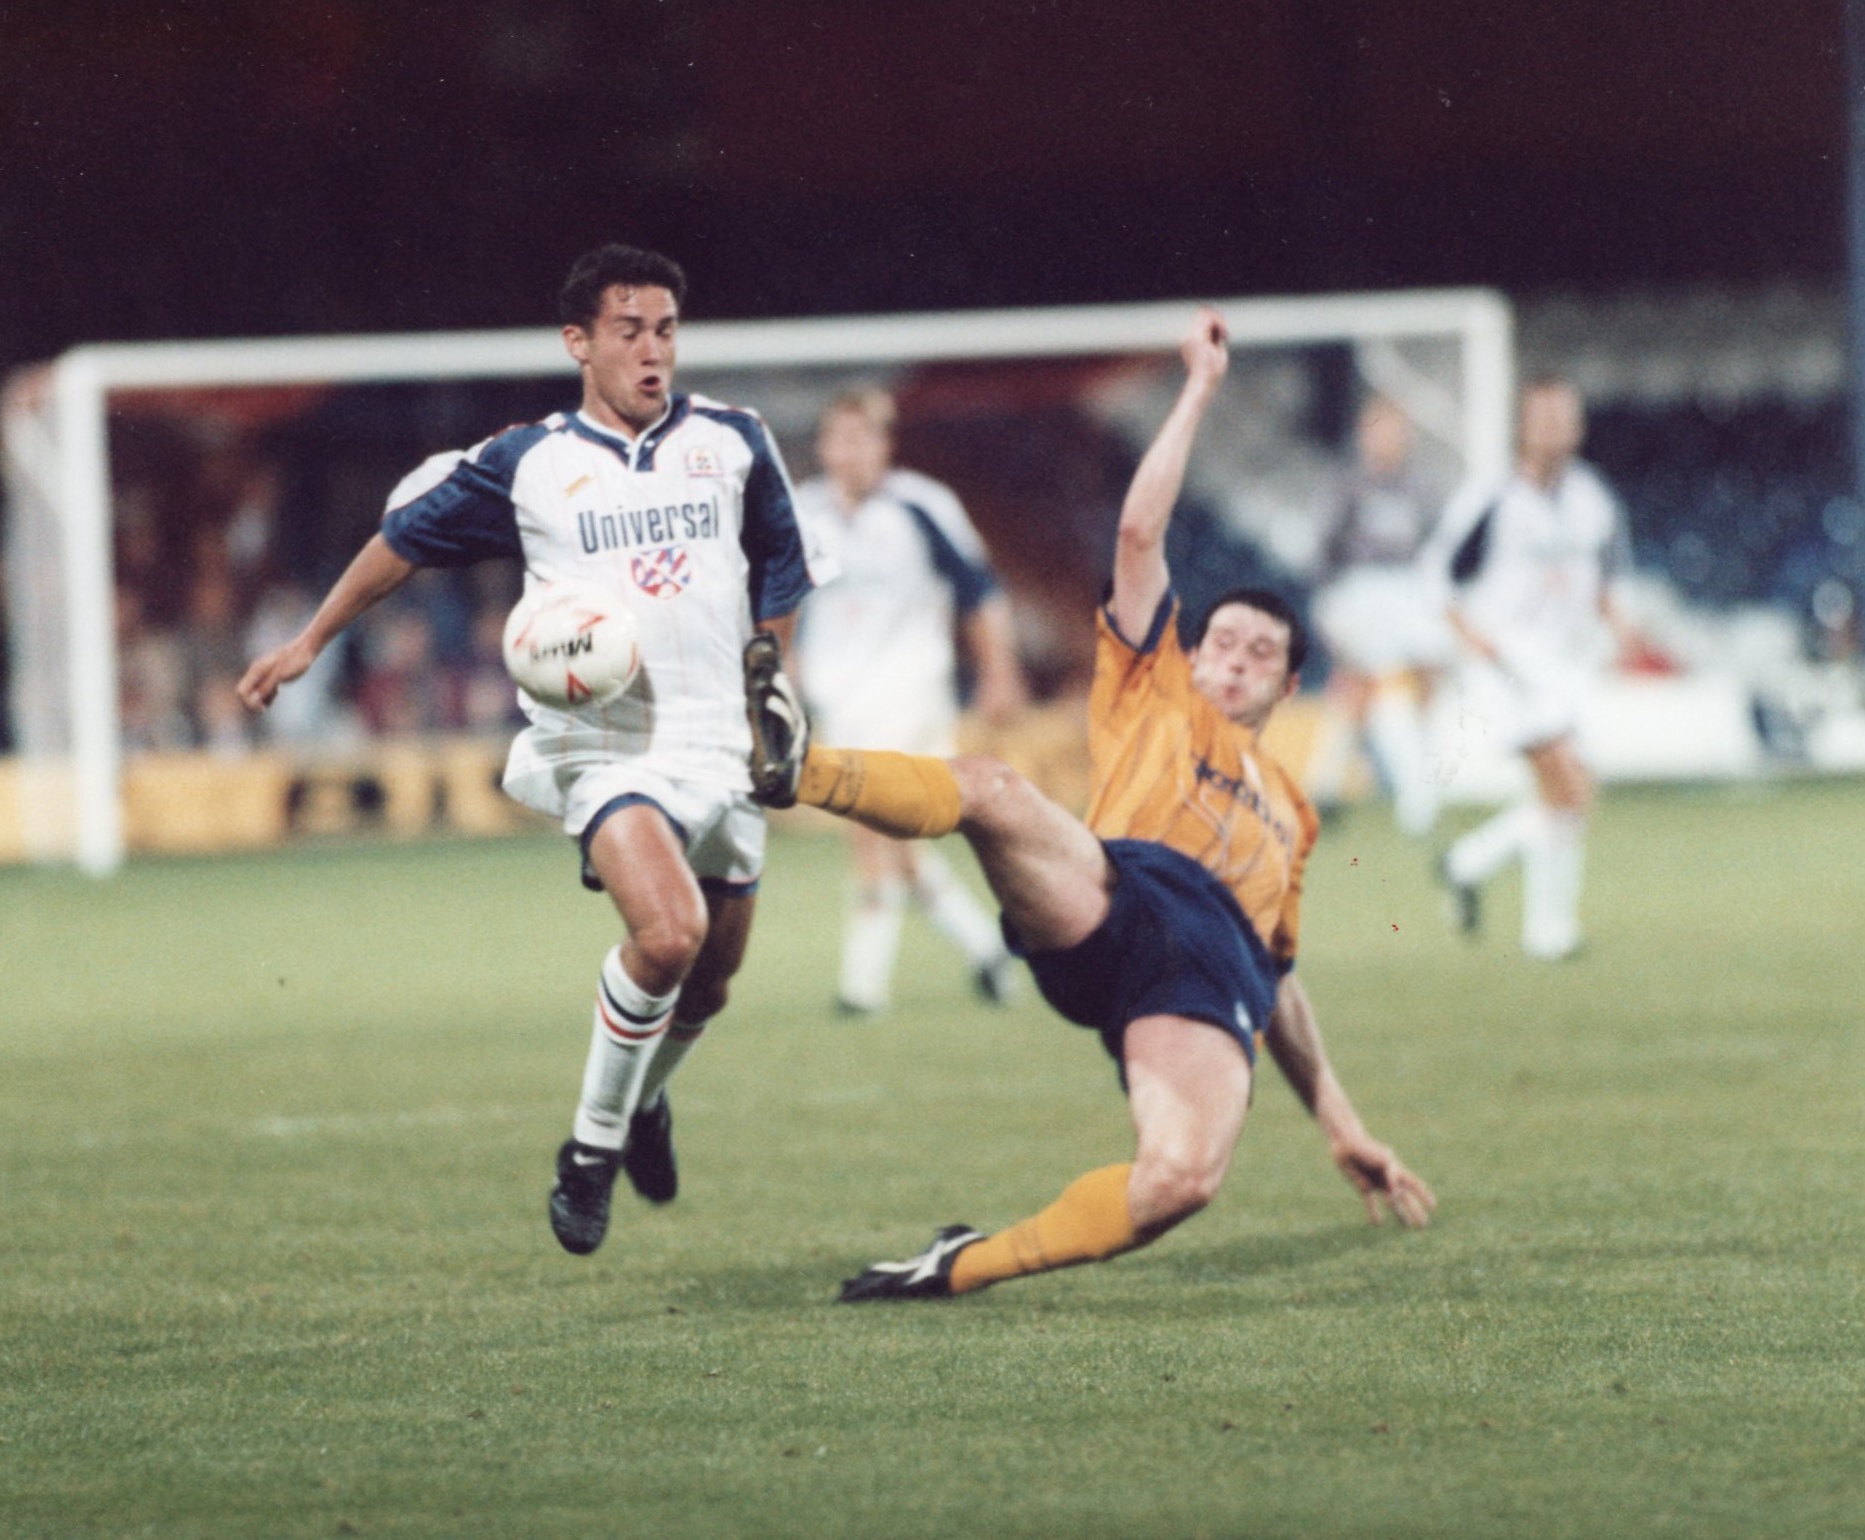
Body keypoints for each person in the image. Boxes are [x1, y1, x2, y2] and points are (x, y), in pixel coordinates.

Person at [743, 309, 1433, 1303]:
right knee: (989, 786)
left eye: (1261, 654)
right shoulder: (1150, 682)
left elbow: (1280, 975)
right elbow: (1141, 530)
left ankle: (959, 1265)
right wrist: (1197, 387)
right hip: (1117, 898)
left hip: (1206, 981)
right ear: (1195, 654)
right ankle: (791, 768)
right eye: (1224, 640)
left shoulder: (1295, 809)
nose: (1235, 657)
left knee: (1182, 1180)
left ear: (1287, 689)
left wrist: (1338, 1116)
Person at [240, 244, 835, 1257]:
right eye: (628, 331)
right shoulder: (530, 462)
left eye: (665, 331)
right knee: (667, 933)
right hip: (602, 742)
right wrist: (311, 638)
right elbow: (403, 542)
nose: (653, 352)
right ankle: (590, 1148)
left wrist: (771, 680)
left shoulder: (737, 441)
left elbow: (781, 566)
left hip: (717, 741)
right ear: (579, 343)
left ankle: (643, 1097)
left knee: (710, 984)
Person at [792, 386, 1029, 1015]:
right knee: (892, 839)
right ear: (823, 447)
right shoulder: (802, 511)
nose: (850, 451)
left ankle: (860, 987)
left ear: (884, 446)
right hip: (839, 697)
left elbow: (981, 593)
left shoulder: (923, 506)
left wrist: (999, 671)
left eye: (862, 438)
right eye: (838, 438)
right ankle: (989, 948)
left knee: (870, 829)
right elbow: (777, 600)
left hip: (911, 690)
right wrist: (782, 668)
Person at [1431, 376, 1634, 962]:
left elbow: (1608, 576)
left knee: (1569, 798)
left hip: (1567, 666)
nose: (1554, 428)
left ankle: (1468, 862)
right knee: (1568, 787)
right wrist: (1476, 641)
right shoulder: (1490, 498)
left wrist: (1616, 626)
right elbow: (1437, 577)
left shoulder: (1593, 498)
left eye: (1564, 417)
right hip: (1507, 665)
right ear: (1524, 425)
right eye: (1543, 417)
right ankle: (1548, 933)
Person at [1301, 395, 1454, 836]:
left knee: (1395, 682)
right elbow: (1324, 551)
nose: (1387, 440)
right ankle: (1415, 795)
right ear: (1364, 435)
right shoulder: (1348, 486)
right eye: (1378, 429)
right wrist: (1328, 608)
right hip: (1360, 590)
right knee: (1378, 682)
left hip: (1408, 590)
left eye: (1394, 430)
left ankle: (1326, 783)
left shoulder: (1420, 489)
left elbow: (1436, 550)